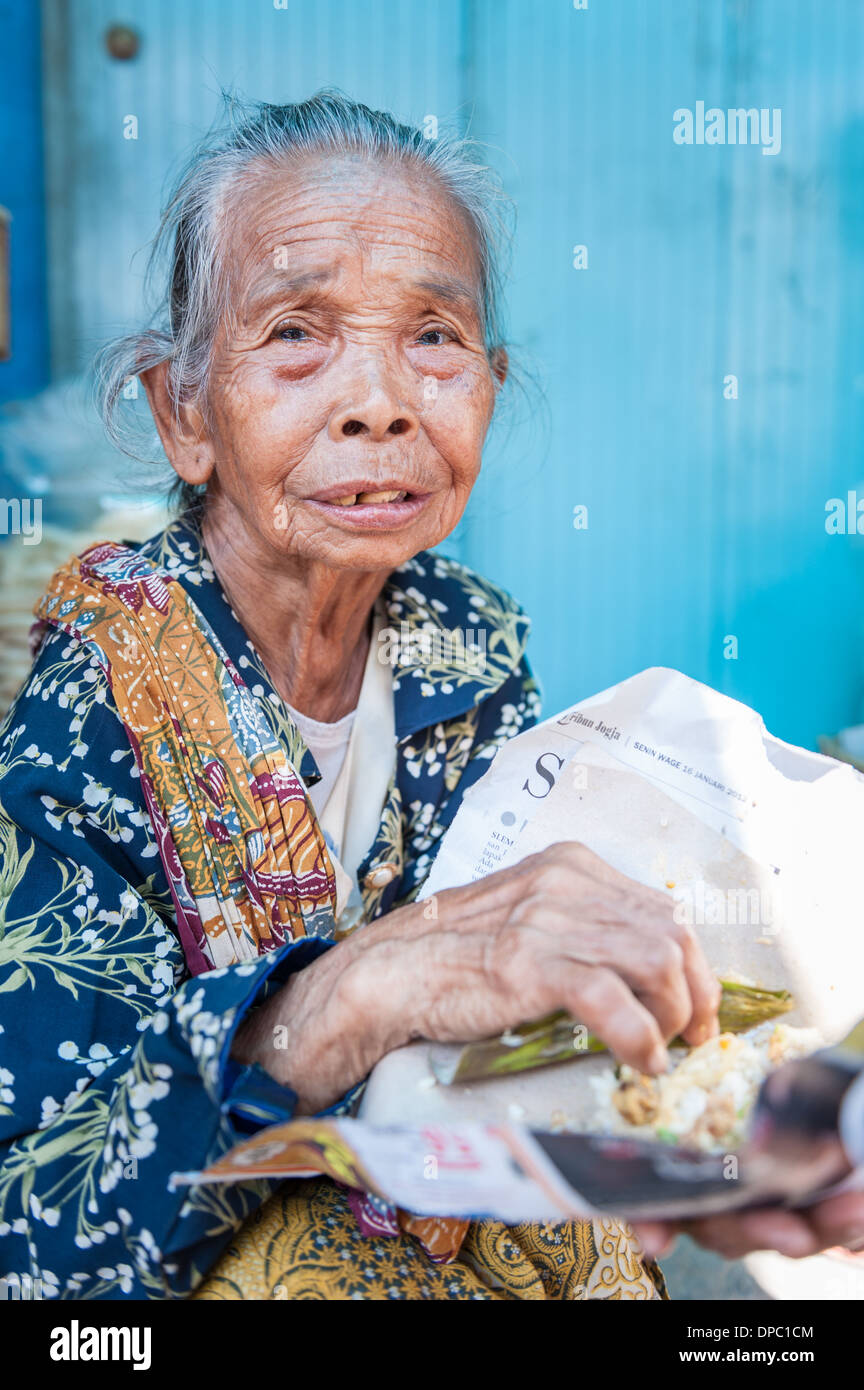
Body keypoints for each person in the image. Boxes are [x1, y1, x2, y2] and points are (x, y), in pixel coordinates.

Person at [0, 91, 720, 1301]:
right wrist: (355, 993)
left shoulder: (469, 641)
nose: (382, 400)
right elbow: (39, 1238)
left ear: (491, 383)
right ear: (186, 412)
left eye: (433, 335)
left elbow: (491, 1029)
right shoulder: (95, 707)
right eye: (296, 330)